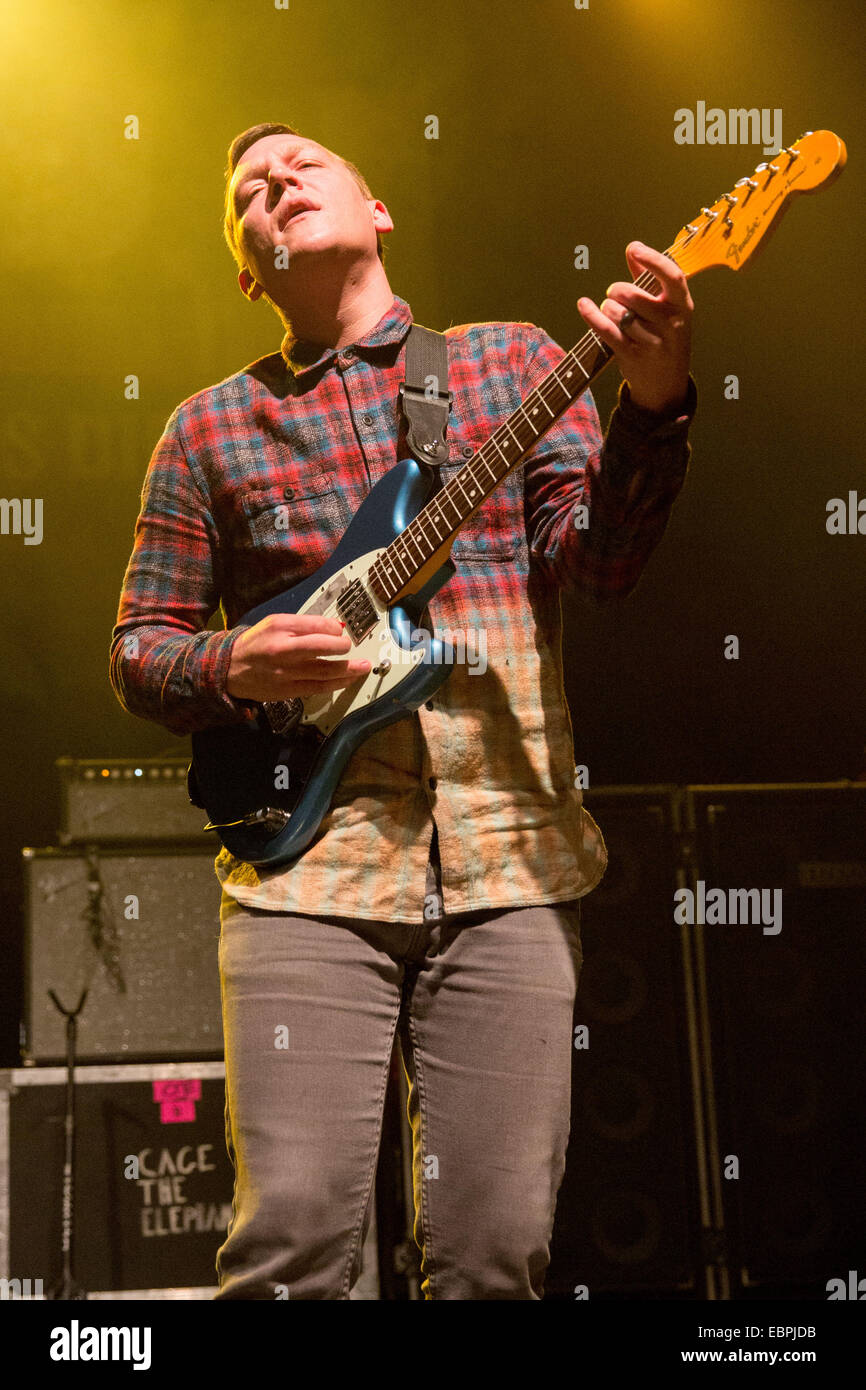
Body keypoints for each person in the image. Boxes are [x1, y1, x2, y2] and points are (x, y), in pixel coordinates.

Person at [109, 121, 697, 1300]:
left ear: (376, 210)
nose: (276, 184)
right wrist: (236, 664)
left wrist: (652, 395)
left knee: (491, 1258)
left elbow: (599, 563)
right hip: (304, 879)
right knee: (287, 1259)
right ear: (246, 265)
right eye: (249, 193)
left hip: (512, 861)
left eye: (302, 166)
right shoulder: (208, 428)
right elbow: (140, 650)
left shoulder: (504, 363)